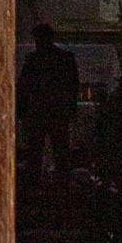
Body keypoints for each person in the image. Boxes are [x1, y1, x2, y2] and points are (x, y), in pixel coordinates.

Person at [16, 21, 79, 182]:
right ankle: (57, 182)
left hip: (45, 109)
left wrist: (21, 109)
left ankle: (42, 181)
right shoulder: (62, 58)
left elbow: (24, 85)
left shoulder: (37, 59)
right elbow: (73, 86)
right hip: (51, 110)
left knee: (45, 149)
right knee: (51, 149)